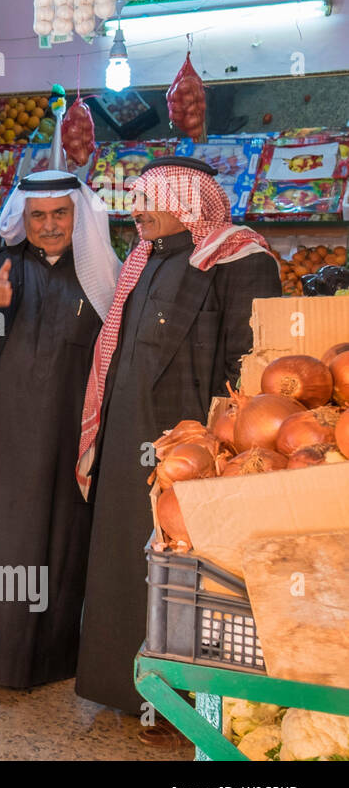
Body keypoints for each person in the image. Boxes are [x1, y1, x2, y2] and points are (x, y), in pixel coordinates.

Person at [75, 157, 281, 728]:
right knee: (124, 567)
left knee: (189, 582)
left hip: (193, 457)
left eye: (148, 198)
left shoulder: (240, 259)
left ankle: (183, 710)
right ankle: (126, 691)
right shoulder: (144, 261)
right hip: (128, 448)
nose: (136, 211)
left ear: (189, 200)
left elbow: (250, 371)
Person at [0, 170, 121, 688]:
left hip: (68, 440)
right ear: (24, 218)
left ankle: (54, 656)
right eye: (38, 215)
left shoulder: (104, 272)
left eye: (60, 214)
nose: (49, 225)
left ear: (77, 216)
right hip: (0, 436)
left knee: (62, 541)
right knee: (0, 541)